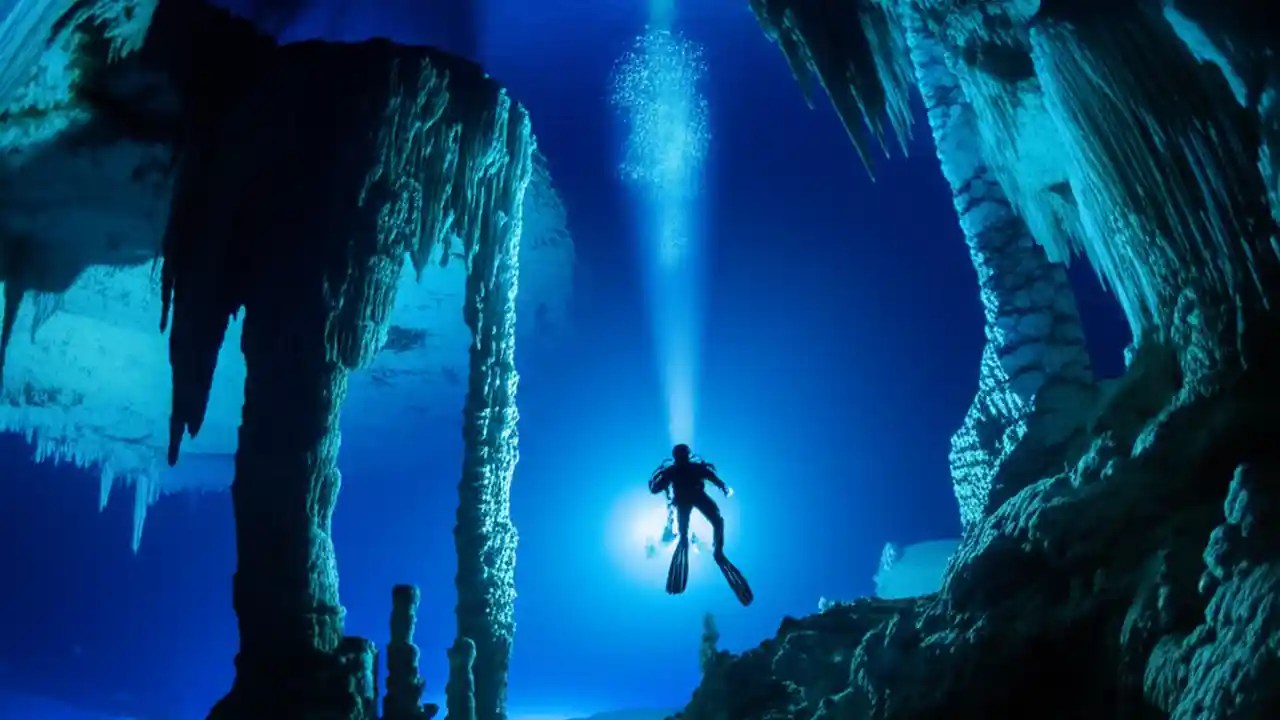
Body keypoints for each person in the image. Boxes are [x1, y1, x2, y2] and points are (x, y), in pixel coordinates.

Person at [649, 444, 754, 606]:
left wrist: (723, 487)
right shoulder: (678, 470)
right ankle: (693, 543)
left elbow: (714, 479)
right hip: (689, 498)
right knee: (715, 520)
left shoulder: (676, 470)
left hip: (689, 498)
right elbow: (656, 488)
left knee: (716, 520)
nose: (682, 458)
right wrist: (723, 487)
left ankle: (705, 547)